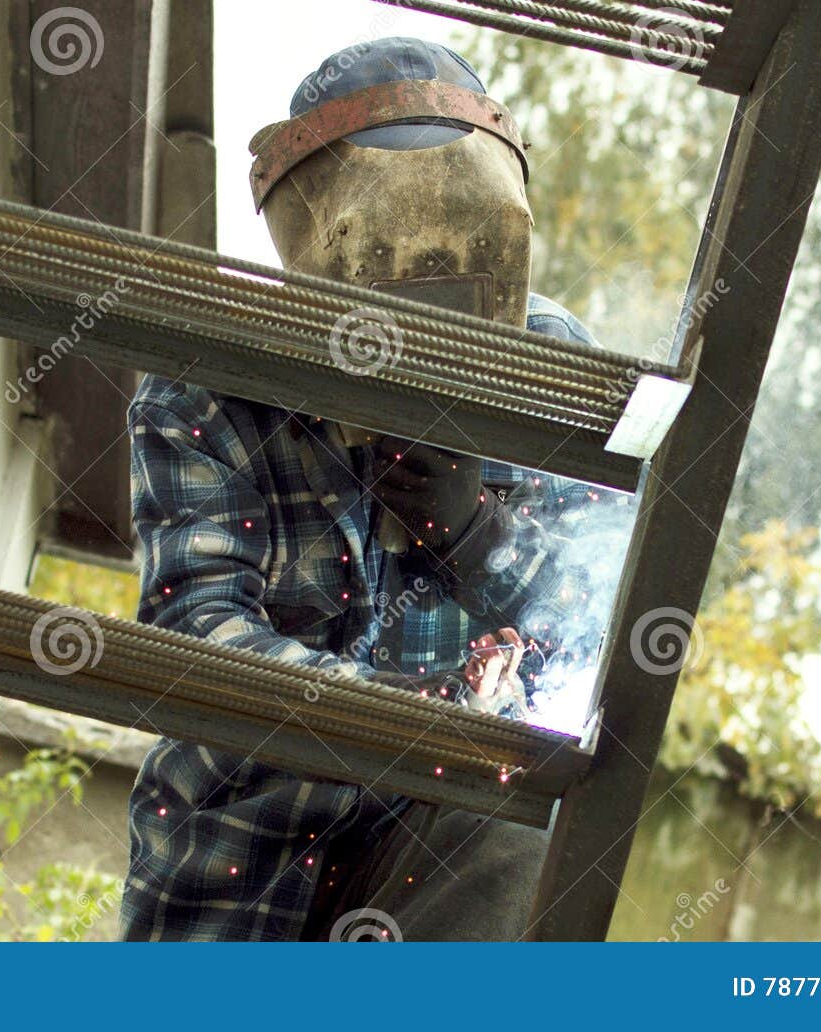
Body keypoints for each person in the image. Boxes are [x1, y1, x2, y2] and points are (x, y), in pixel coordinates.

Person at [119, 38, 602, 942]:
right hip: (243, 857)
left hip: (442, 853)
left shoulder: (555, 368)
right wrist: (405, 720)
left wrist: (474, 533)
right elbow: (196, 631)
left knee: (519, 825)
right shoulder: (208, 383)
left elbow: (601, 624)